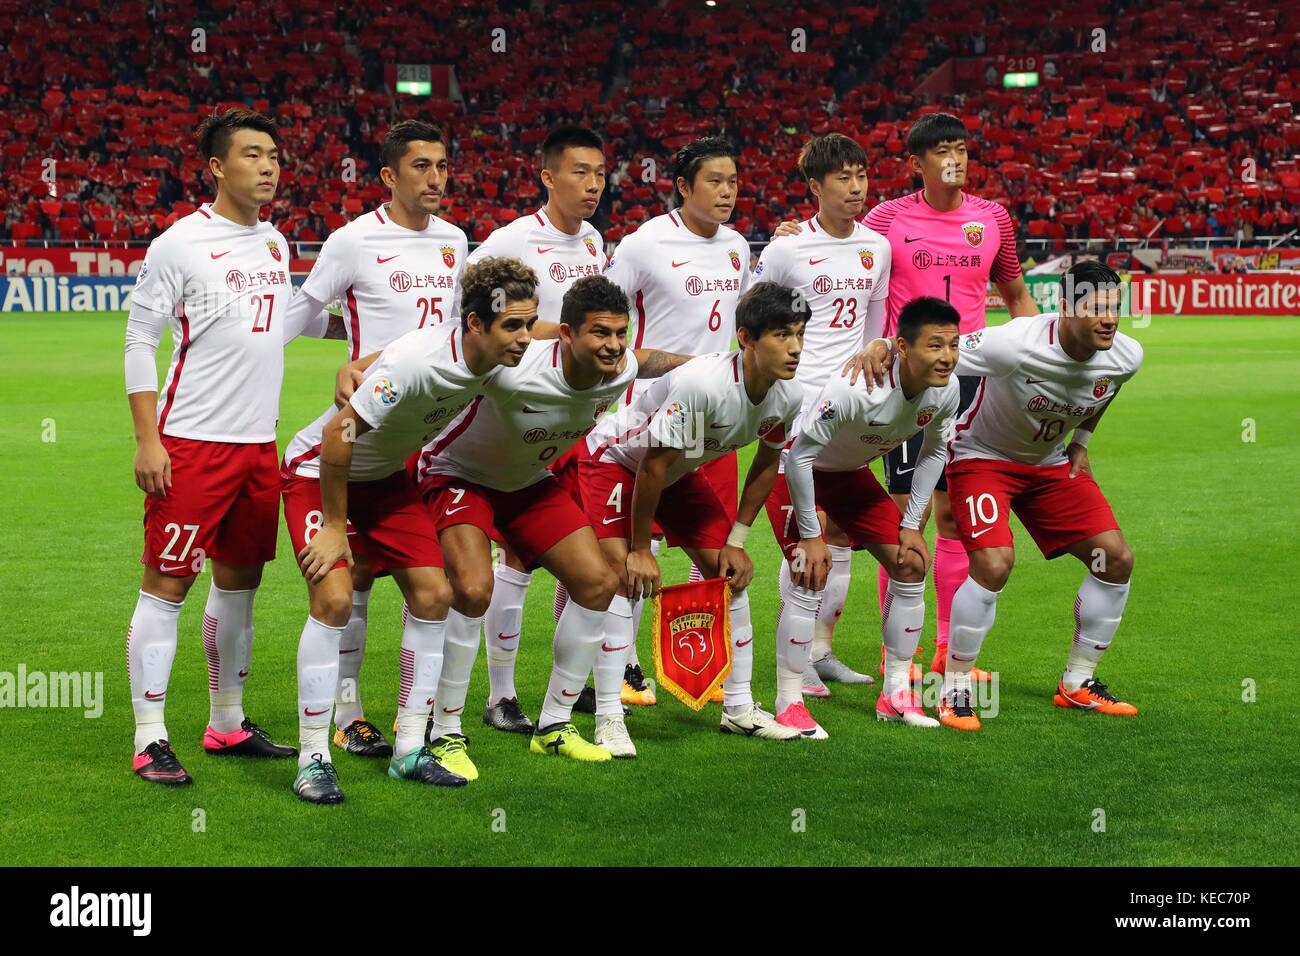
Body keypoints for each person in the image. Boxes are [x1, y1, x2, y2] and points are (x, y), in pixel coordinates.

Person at [776, 112, 1038, 681]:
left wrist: (1038, 368)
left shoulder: (993, 218)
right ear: (916, 163)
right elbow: (841, 246)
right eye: (943, 150)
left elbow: (1016, 296)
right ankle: (864, 654)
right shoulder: (888, 217)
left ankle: (940, 651)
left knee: (949, 515)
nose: (956, 158)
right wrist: (792, 232)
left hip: (971, 382)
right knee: (891, 520)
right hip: (899, 381)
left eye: (962, 148)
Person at [282, 257, 538, 803]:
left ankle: (409, 750)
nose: (525, 338)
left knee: (435, 594)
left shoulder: (491, 356)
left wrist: (357, 363)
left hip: (386, 478)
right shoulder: (420, 366)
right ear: (475, 324)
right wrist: (333, 526)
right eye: (514, 326)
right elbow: (337, 436)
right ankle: (313, 757)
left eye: (529, 324)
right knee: (333, 599)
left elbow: (392, 354)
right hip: (319, 470)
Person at [410, 275, 689, 764]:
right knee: (474, 589)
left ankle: (554, 724)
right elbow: (435, 351)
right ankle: (445, 727)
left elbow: (655, 361)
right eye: (600, 333)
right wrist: (361, 368)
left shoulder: (622, 368)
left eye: (621, 333)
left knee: (598, 581)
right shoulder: (512, 368)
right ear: (565, 334)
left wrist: (727, 363)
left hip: (527, 482)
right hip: (459, 474)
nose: (613, 345)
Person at [872, 261, 1143, 731]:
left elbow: (1107, 389)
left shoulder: (1126, 356)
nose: (1109, 319)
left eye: (1115, 308)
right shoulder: (1013, 342)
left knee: (1114, 559)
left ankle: (1078, 683)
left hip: (1050, 464)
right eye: (1096, 308)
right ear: (1065, 308)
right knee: (994, 563)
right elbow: (943, 355)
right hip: (982, 457)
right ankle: (953, 689)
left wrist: (1081, 442)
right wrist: (881, 353)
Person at [281, 118, 466, 759]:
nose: (435, 178)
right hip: (358, 426)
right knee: (349, 585)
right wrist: (348, 350)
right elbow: (309, 311)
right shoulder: (353, 240)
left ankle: (420, 736)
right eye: (421, 166)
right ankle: (346, 712)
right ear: (389, 176)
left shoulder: (455, 243)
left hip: (414, 442)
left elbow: (446, 334)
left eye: (442, 165)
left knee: (427, 588)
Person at [123, 109, 298, 785]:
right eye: (252, 155)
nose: (268, 166)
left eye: (275, 155)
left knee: (240, 586)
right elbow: (141, 340)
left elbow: (270, 332)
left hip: (259, 448)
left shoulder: (277, 244)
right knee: (167, 588)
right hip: (192, 444)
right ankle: (148, 737)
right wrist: (148, 441)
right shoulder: (179, 244)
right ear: (218, 166)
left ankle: (226, 722)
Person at [577, 282, 808, 746]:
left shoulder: (788, 395)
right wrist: (641, 549)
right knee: (627, 579)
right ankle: (608, 718)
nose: (796, 347)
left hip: (676, 472)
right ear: (746, 337)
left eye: (800, 333)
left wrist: (736, 540)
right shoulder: (703, 385)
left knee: (729, 575)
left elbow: (766, 465)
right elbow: (651, 465)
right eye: (782, 334)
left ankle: (740, 707)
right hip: (616, 462)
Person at [598, 136, 754, 705]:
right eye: (714, 181)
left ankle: (700, 661)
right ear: (683, 187)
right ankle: (630, 664)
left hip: (719, 419)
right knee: (646, 546)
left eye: (733, 182)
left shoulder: (737, 247)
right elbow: (600, 312)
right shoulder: (644, 244)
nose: (727, 192)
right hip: (655, 411)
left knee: (708, 545)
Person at [468, 125, 612, 732]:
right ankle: (501, 694)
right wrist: (557, 335)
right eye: (580, 172)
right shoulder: (511, 242)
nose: (593, 185)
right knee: (516, 561)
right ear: (548, 176)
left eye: (601, 174)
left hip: (573, 426)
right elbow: (473, 319)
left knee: (578, 556)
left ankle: (570, 689)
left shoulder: (596, 243)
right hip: (514, 421)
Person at [770, 296, 963, 735]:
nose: (947, 356)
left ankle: (895, 694)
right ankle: (788, 700)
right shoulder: (855, 389)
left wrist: (912, 524)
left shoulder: (946, 389)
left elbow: (934, 450)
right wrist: (810, 534)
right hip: (796, 469)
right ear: (902, 347)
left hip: (850, 474)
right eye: (935, 345)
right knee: (808, 568)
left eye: (953, 344)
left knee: (911, 563)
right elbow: (800, 457)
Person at [753, 132, 892, 695]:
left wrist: (878, 348)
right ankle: (795, 667)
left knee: (838, 535)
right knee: (801, 539)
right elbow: (755, 315)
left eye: (861, 175)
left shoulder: (876, 247)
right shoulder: (787, 250)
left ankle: (821, 650)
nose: (856, 187)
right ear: (815, 186)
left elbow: (878, 321)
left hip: (852, 413)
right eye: (843, 177)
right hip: (796, 410)